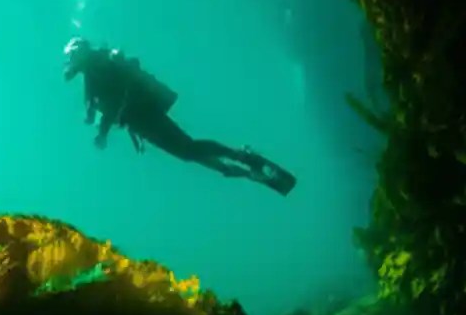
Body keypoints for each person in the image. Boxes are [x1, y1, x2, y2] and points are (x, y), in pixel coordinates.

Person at [62, 36, 297, 196]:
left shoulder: (100, 68)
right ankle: (242, 169)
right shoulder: (93, 73)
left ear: (80, 52)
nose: (69, 62)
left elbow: (112, 104)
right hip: (141, 121)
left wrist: (102, 133)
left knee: (188, 149)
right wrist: (94, 119)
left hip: (145, 116)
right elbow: (103, 104)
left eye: (71, 56)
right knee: (188, 152)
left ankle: (242, 158)